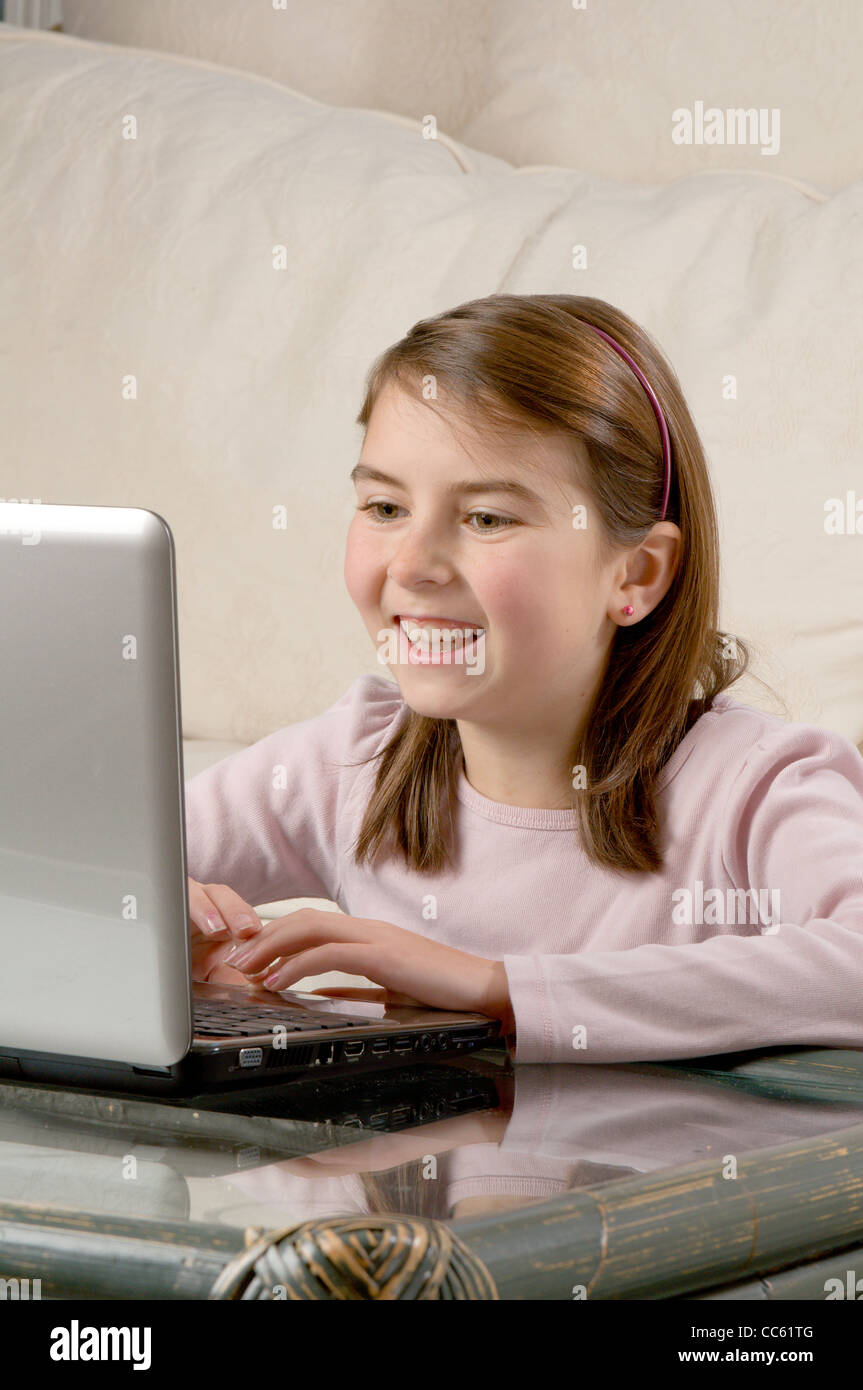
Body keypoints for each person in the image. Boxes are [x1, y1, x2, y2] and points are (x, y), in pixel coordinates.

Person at [184, 293, 863, 1065]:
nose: (410, 565)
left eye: (487, 519)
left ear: (634, 573)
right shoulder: (348, 763)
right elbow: (52, 869)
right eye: (383, 506)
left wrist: (499, 986)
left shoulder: (754, 786)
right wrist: (148, 917)